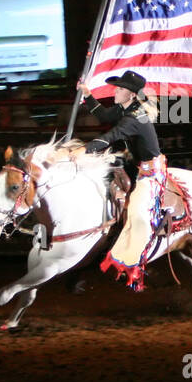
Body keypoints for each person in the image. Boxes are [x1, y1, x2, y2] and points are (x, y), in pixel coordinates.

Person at [77, 69, 173, 291]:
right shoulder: (126, 109)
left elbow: (112, 135)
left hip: (150, 173)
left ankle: (134, 264)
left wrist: (85, 149)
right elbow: (105, 117)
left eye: (119, 89)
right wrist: (87, 94)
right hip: (135, 166)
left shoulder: (134, 117)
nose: (115, 92)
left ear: (130, 94)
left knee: (138, 213)